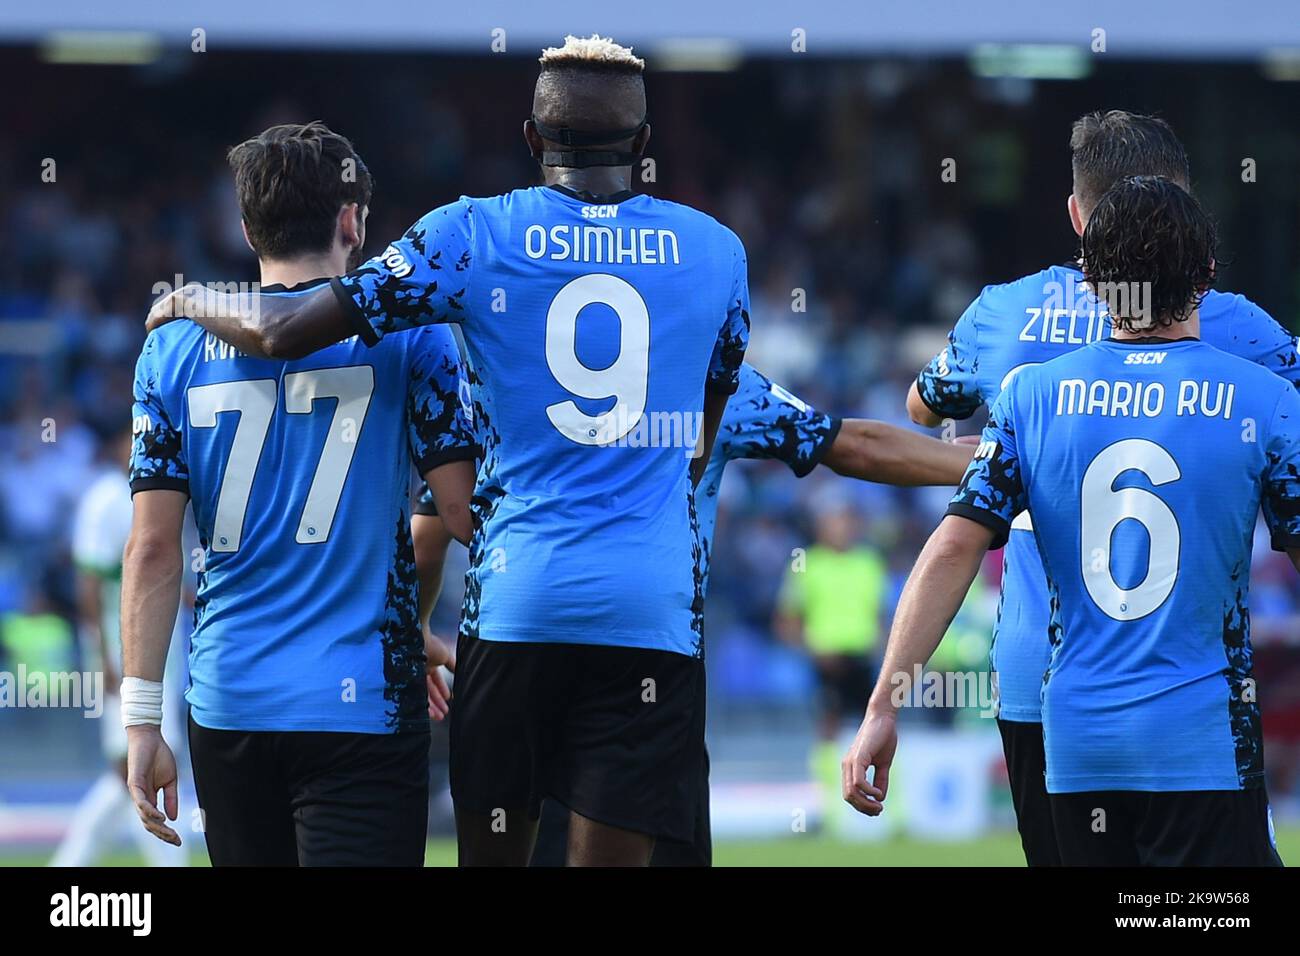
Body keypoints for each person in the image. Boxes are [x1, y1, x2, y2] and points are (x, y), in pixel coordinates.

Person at [147, 35, 751, 867]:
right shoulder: (719, 251)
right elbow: (701, 429)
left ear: (532, 140)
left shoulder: (473, 232)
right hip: (649, 609)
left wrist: (187, 299)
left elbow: (283, 326)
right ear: (645, 148)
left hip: (515, 604)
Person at [846, 176, 1296, 866]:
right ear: (1207, 273)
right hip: (1200, 741)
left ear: (1089, 280)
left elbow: (952, 549)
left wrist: (883, 703)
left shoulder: (1032, 397)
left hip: (1078, 741)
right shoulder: (1265, 401)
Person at [122, 121, 475, 866]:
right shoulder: (414, 334)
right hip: (362, 705)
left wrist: (141, 720)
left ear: (248, 227)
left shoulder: (171, 347)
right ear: (353, 221)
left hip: (230, 702)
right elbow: (457, 511)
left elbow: (154, 549)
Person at [52, 423, 188, 867]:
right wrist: (100, 655)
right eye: (134, 437)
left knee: (139, 762)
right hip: (127, 649)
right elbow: (88, 584)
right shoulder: (109, 498)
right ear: (119, 441)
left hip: (162, 649)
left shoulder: (161, 490)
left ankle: (75, 861)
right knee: (135, 759)